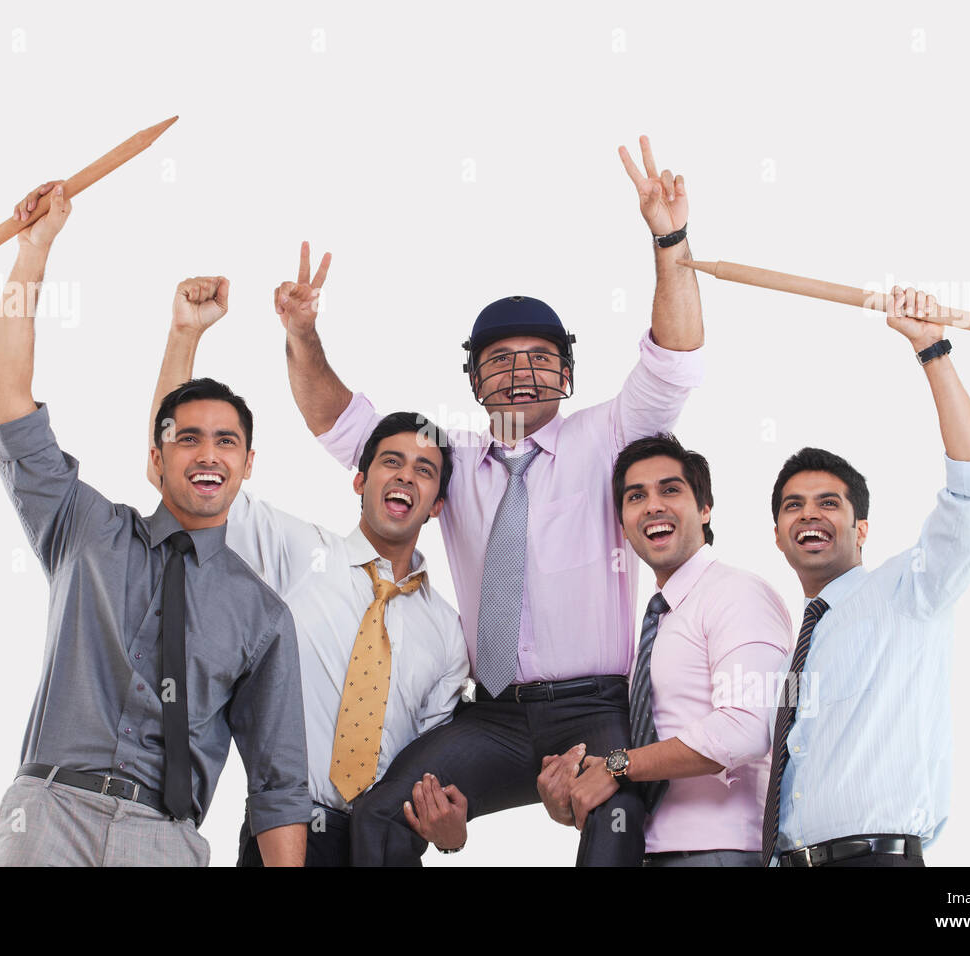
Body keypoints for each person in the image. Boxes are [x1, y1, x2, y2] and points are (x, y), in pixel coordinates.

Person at [273, 136, 705, 865]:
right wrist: (303, 334)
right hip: (493, 716)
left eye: (541, 359)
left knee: (620, 812)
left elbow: (675, 359)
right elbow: (338, 421)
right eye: (499, 362)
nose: (521, 374)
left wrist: (669, 240)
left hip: (593, 707)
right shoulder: (447, 457)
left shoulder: (611, 437)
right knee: (383, 814)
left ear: (566, 374)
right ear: (475, 382)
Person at [0, 181, 311, 867]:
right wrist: (33, 252)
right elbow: (3, 398)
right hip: (47, 816)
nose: (208, 454)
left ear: (249, 464)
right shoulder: (86, 529)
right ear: (156, 460)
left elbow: (279, 787)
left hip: (162, 840)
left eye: (226, 442)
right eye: (188, 440)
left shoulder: (262, 615)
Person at [148, 295, 471, 865]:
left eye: (425, 470)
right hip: (288, 833)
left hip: (388, 841)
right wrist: (184, 336)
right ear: (360, 481)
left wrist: (446, 828)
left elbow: (432, 762)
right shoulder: (297, 552)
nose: (405, 476)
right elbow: (174, 478)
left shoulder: (448, 631)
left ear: (437, 506)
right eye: (391, 461)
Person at [763, 286, 970, 868]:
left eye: (829, 503)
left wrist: (932, 350)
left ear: (862, 528)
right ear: (777, 534)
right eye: (793, 506)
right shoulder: (792, 646)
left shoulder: (910, 590)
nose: (809, 514)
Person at [537, 435, 792, 866]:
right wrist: (577, 786)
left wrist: (617, 765)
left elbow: (747, 727)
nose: (653, 505)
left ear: (705, 508)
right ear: (623, 522)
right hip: (651, 851)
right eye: (636, 496)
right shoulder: (660, 616)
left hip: (722, 851)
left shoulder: (737, 593)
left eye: (670, 489)